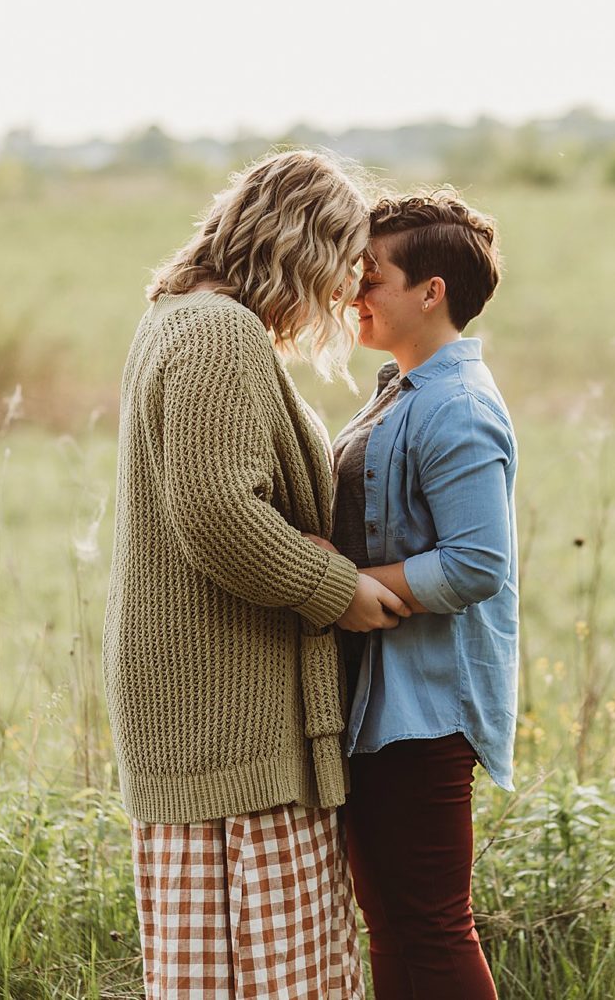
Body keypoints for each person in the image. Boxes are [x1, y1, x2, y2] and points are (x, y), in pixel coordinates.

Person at [101, 149, 409, 999]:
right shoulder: (218, 334)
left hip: (205, 700)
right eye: (345, 261)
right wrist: (335, 590)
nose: (349, 291)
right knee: (279, 978)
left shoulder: (180, 317)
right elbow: (218, 511)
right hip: (229, 708)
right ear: (301, 248)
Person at [327, 189, 518, 999]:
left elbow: (477, 564)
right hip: (387, 699)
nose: (351, 293)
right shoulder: (401, 388)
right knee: (400, 924)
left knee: (431, 923)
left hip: (427, 705)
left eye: (371, 277)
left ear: (430, 291)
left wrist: (345, 587)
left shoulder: (457, 407)